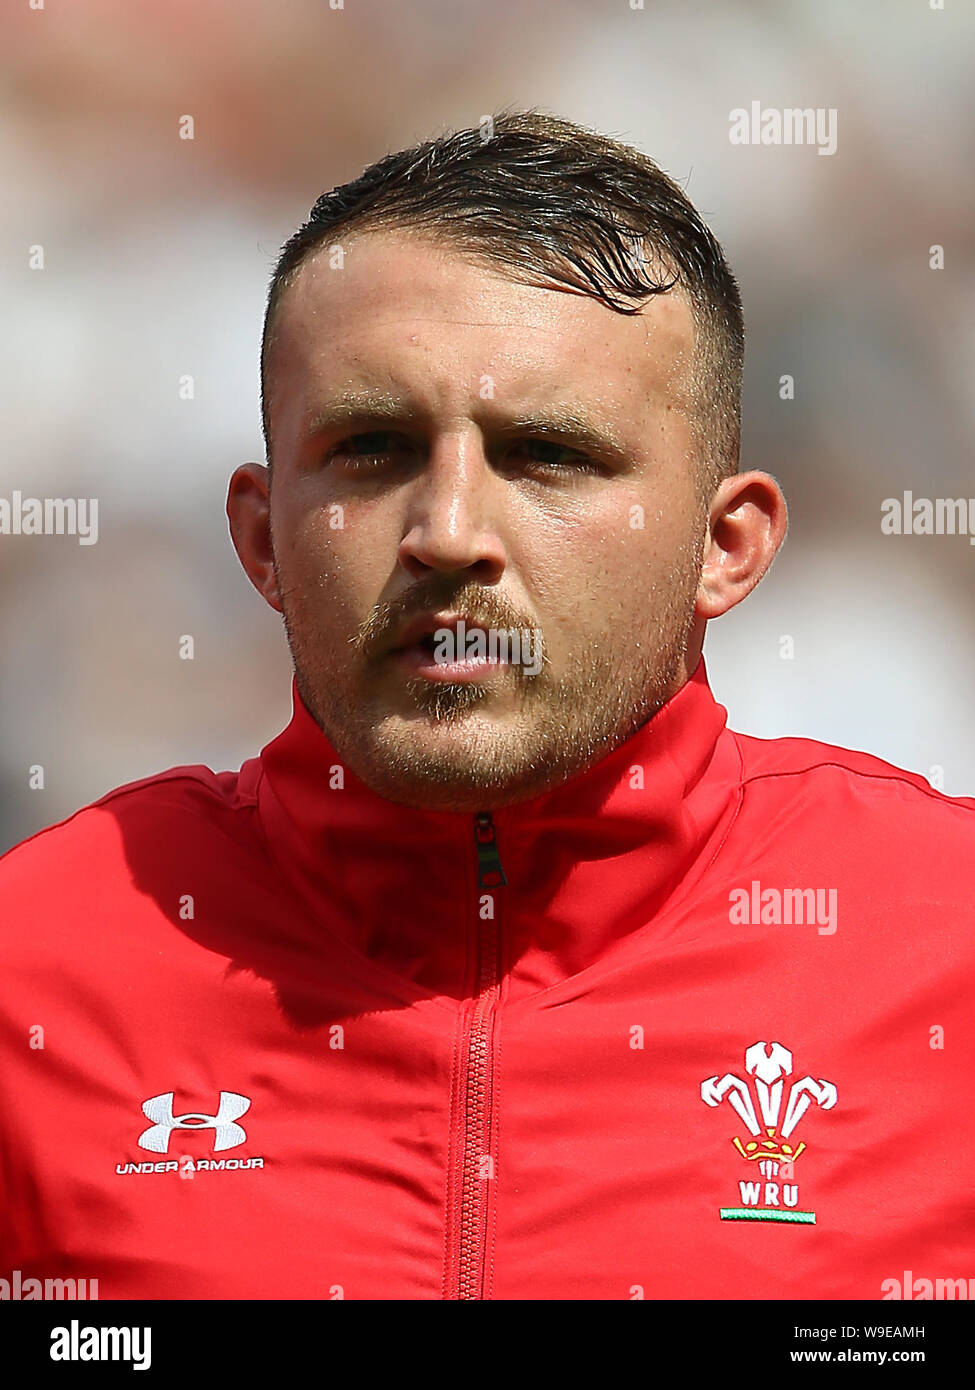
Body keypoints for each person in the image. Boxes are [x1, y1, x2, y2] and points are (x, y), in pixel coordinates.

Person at [1, 110, 972, 1302]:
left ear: (726, 546)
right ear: (260, 538)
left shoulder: (946, 948)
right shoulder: (32, 971)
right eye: (371, 447)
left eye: (547, 454)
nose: (449, 532)